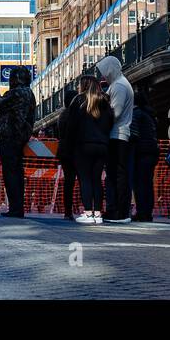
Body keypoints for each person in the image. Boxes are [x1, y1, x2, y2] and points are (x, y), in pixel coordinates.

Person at [0, 65, 35, 218]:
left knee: (10, 173)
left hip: (9, 136)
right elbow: (8, 106)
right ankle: (17, 207)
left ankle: (15, 209)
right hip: (21, 136)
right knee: (17, 172)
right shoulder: (28, 93)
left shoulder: (16, 93)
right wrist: (0, 96)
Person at [64, 73, 113, 225]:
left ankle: (87, 213)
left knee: (85, 179)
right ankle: (98, 214)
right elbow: (110, 122)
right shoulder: (104, 101)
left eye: (79, 84)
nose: (78, 87)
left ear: (84, 86)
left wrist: (69, 146)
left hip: (83, 145)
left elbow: (70, 126)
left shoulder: (78, 101)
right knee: (97, 179)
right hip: (102, 146)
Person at [97, 55, 133, 223]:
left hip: (116, 136)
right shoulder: (120, 84)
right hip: (119, 135)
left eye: (104, 71)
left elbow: (115, 113)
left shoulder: (118, 86)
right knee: (116, 174)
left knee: (116, 175)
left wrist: (100, 118)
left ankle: (118, 211)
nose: (103, 76)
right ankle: (117, 209)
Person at [127, 84, 159, 222]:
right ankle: (147, 212)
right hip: (152, 152)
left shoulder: (136, 114)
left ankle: (141, 212)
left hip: (140, 152)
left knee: (139, 183)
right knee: (147, 183)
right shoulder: (150, 114)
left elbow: (133, 134)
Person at [55, 83, 79, 220]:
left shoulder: (62, 115)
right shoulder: (77, 114)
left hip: (64, 151)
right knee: (82, 179)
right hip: (76, 151)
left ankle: (68, 211)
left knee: (68, 182)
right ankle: (89, 209)